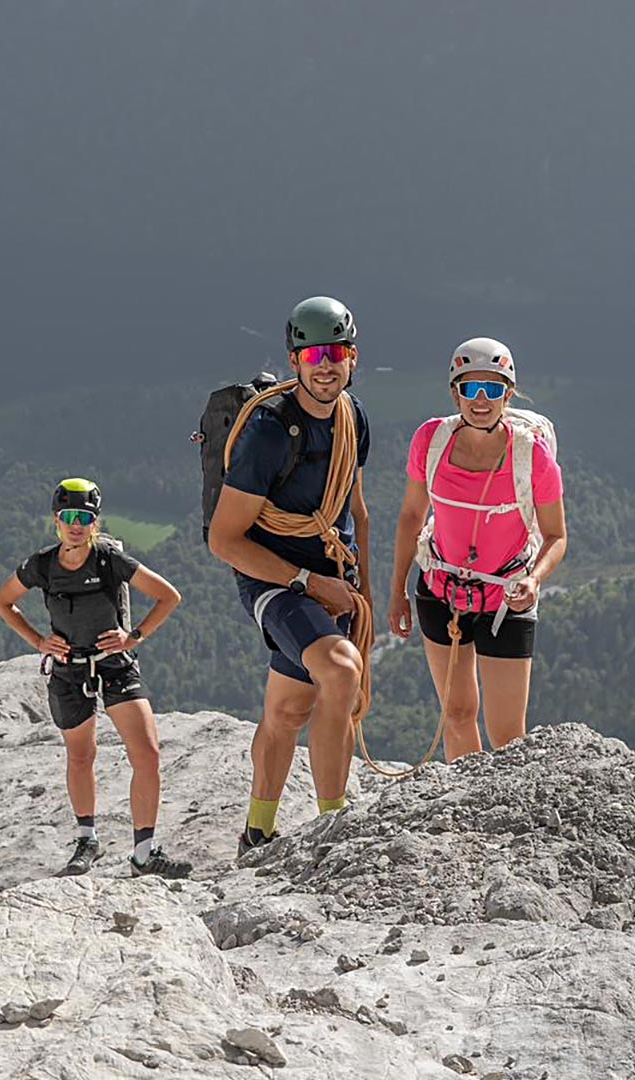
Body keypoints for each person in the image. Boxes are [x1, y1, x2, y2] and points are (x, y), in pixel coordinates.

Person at [207, 296, 372, 856]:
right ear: (294, 360)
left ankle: (257, 831)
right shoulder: (271, 434)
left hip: (330, 575)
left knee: (286, 710)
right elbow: (223, 539)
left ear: (353, 358)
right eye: (312, 354)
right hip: (274, 580)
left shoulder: (353, 419)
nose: (325, 365)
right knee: (340, 669)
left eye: (336, 352)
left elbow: (355, 511)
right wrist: (308, 582)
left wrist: (363, 590)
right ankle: (334, 824)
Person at [0, 478, 192, 878]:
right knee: (81, 756)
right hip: (70, 671)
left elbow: (169, 596)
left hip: (114, 665)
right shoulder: (42, 565)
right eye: (69, 517)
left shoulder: (109, 560)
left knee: (148, 755)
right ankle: (87, 840)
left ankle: (144, 853)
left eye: (84, 517)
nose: (76, 525)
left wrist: (132, 637)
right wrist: (37, 641)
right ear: (57, 520)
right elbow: (3, 601)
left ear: (95, 521)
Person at [387, 337, 567, 760]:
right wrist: (397, 589)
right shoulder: (430, 442)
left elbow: (556, 535)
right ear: (455, 392)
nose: (481, 399)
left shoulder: (533, 457)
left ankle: (507, 820)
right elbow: (412, 516)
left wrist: (534, 581)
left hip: (506, 597)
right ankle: (463, 809)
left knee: (507, 735)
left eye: (492, 388)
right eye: (470, 388)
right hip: (439, 592)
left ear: (509, 392)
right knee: (457, 713)